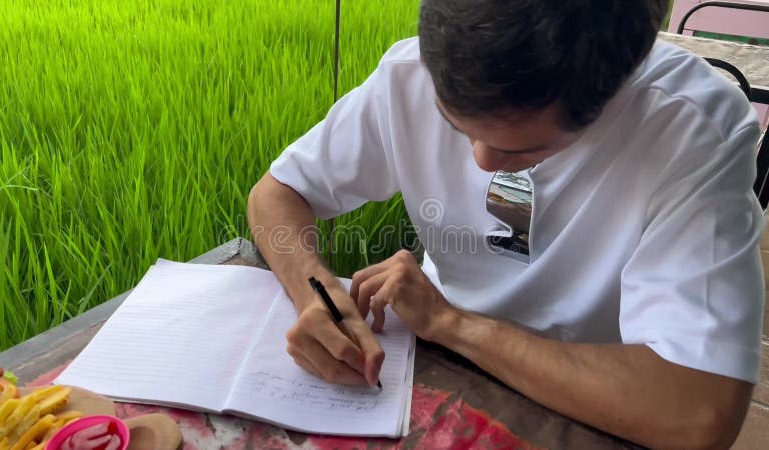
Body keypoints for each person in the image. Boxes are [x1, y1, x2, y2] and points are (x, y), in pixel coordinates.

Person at [247, 1, 765, 448]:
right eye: (455, 126)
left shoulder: (693, 132)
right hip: (434, 364)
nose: (480, 161)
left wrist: (453, 323)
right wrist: (314, 292)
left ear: (612, 96)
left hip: (594, 400)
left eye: (524, 149)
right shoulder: (409, 75)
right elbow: (279, 193)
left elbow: (698, 411)